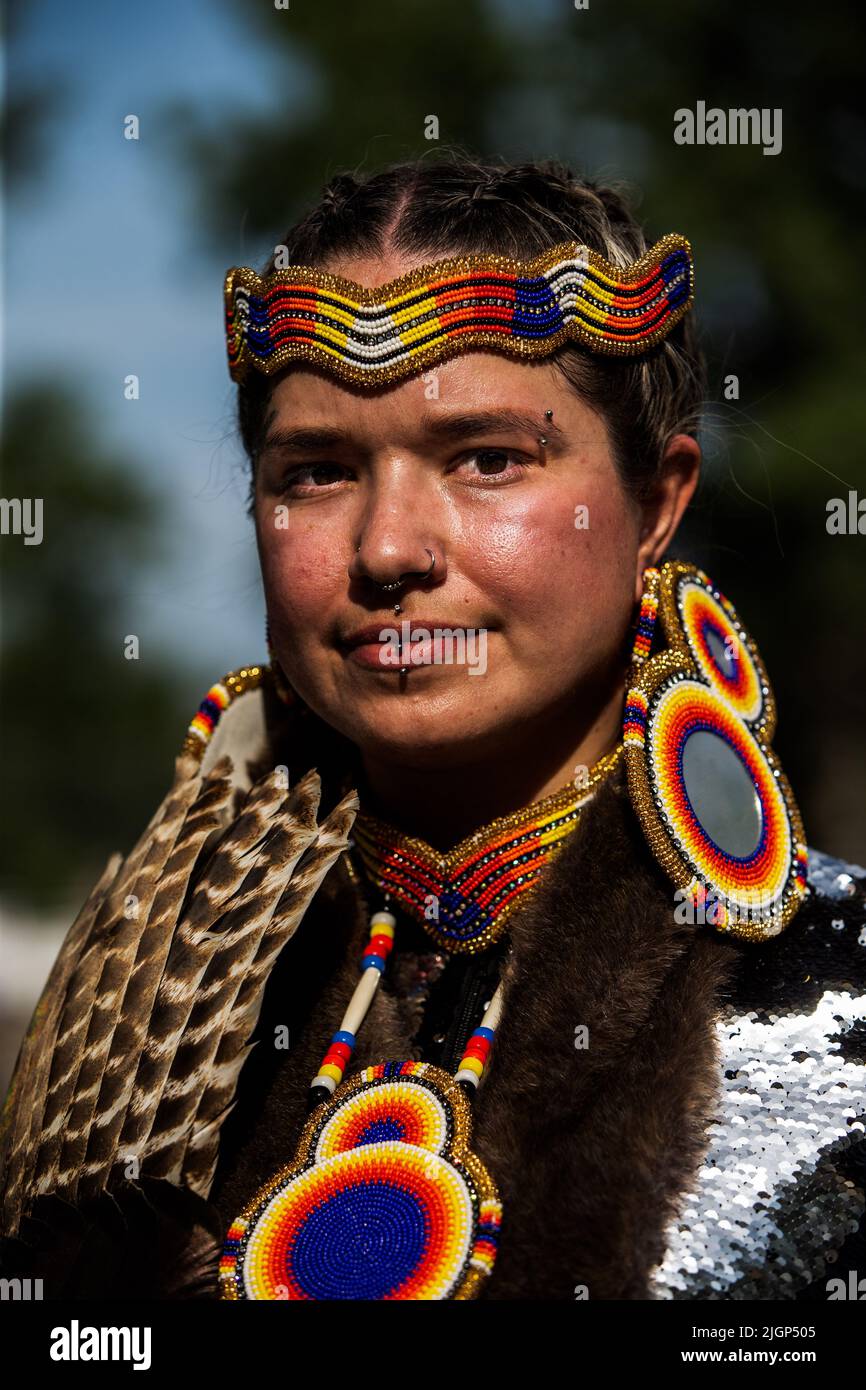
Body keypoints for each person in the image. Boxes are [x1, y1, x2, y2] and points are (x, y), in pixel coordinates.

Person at [1, 154, 864, 1302]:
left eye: (487, 459)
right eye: (315, 472)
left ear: (657, 502)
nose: (388, 549)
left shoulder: (832, 1012)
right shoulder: (147, 1017)